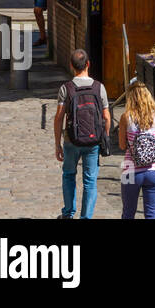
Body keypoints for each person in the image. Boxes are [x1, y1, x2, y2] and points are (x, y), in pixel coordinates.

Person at [53, 50, 111, 219]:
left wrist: (58, 144)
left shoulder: (66, 89)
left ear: (71, 66)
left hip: (72, 140)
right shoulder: (99, 88)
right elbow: (107, 117)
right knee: (90, 181)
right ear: (88, 64)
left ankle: (68, 213)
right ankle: (86, 217)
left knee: (69, 175)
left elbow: (58, 118)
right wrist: (105, 137)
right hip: (93, 141)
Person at [119, 82, 155, 219]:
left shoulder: (126, 117)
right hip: (153, 170)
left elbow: (122, 146)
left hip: (130, 170)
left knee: (128, 213)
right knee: (152, 214)